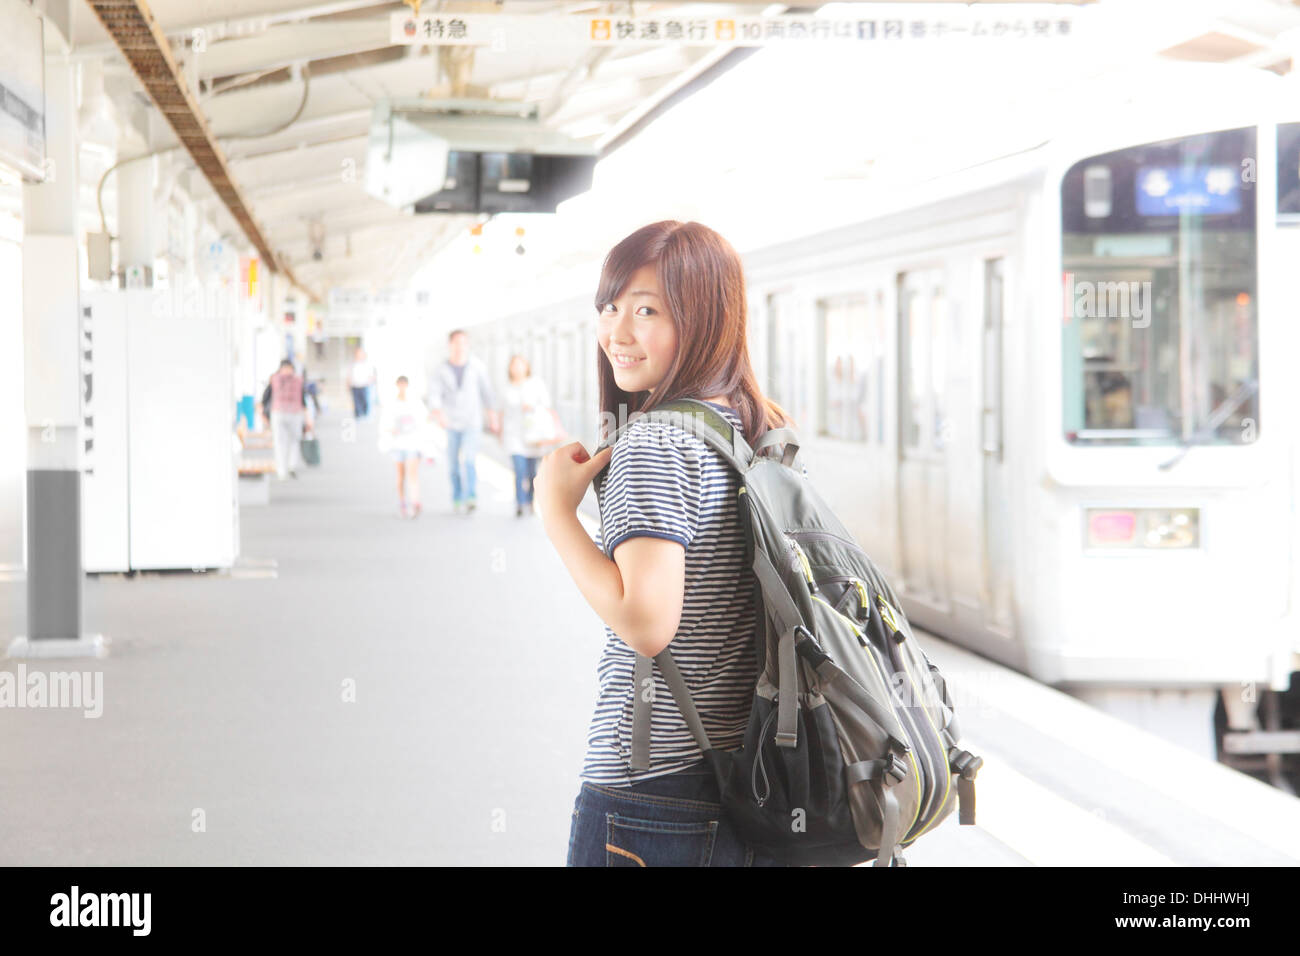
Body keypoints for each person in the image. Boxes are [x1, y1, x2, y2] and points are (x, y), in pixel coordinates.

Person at [533, 221, 796, 867]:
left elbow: (647, 623)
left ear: (704, 317)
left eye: (647, 310)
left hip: (654, 792)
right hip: (752, 774)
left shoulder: (656, 440)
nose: (617, 331)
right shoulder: (755, 430)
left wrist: (556, 514)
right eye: (610, 306)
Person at [429, 329, 500, 513]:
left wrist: (492, 417)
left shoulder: (477, 367)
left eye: (463, 343)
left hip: (472, 422)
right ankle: (457, 496)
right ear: (450, 345)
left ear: (467, 345)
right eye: (456, 343)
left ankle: (471, 495)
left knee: (469, 460)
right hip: (451, 423)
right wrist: (438, 413)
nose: (460, 347)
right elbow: (434, 394)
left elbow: (487, 393)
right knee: (453, 464)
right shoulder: (441, 369)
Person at [500, 355, 556, 517]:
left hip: (533, 435)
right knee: (519, 470)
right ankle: (520, 502)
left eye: (520, 364)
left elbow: (547, 404)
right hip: (514, 435)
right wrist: (500, 432)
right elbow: (502, 412)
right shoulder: (506, 388)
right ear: (510, 368)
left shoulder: (536, 384)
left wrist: (532, 406)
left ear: (527, 367)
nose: (517, 368)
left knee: (532, 472)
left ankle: (530, 500)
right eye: (514, 365)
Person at [381, 375, 430, 518]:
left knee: (412, 474)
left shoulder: (415, 403)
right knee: (401, 475)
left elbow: (424, 420)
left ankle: (415, 501)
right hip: (397, 444)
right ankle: (402, 501)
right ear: (397, 386)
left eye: (404, 385)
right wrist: (392, 430)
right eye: (400, 385)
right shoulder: (391, 404)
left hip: (412, 443)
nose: (402, 388)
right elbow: (385, 424)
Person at [264, 358, 312, 480]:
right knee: (280, 442)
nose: (287, 371)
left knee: (294, 440)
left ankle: (292, 466)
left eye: (289, 368)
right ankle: (281, 469)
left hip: (295, 413)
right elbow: (266, 398)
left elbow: (303, 400)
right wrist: (265, 417)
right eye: (285, 368)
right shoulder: (274, 380)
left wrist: (308, 419)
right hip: (278, 414)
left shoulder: (298, 381)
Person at [348, 347, 376, 420]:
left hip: (364, 385)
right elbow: (349, 375)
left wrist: (370, 382)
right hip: (355, 385)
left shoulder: (367, 364)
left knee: (365, 400)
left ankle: (365, 414)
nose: (358, 355)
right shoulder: (352, 364)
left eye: (360, 353)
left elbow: (372, 375)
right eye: (357, 354)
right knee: (356, 401)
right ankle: (358, 415)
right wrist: (348, 384)